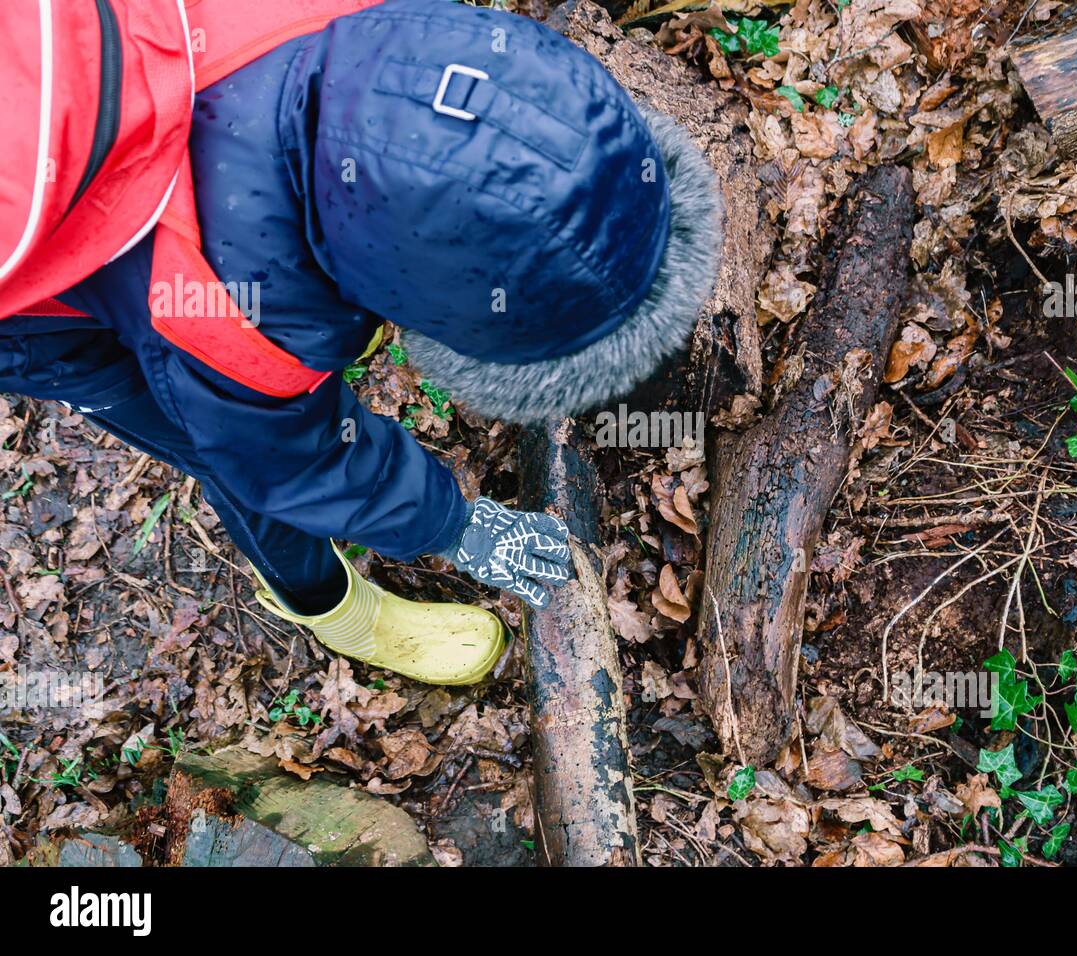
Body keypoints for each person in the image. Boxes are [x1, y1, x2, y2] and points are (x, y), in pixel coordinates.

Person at [0, 0, 721, 685]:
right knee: (203, 437)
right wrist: (453, 523)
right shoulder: (232, 313)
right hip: (35, 302)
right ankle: (328, 607)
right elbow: (291, 463)